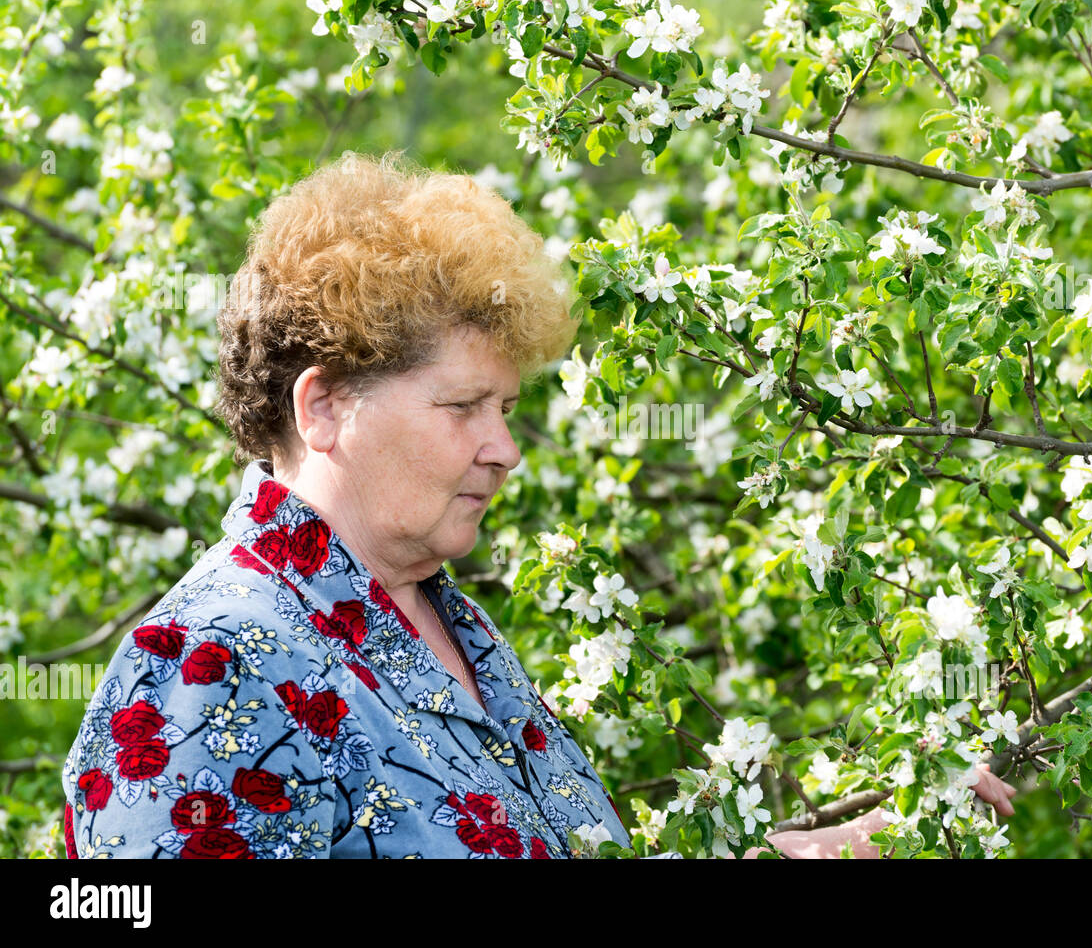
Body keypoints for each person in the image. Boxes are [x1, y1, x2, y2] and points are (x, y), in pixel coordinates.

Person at [60, 151, 1017, 858]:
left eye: (507, 408)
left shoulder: (450, 622)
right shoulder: (207, 660)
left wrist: (819, 850)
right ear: (323, 409)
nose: (504, 449)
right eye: (463, 406)